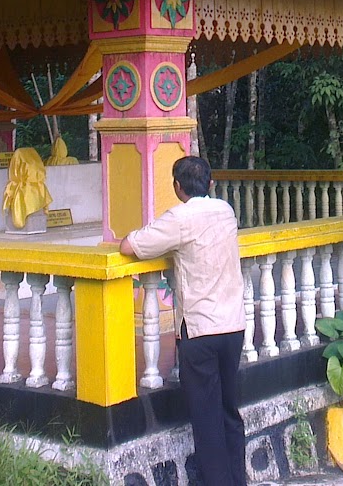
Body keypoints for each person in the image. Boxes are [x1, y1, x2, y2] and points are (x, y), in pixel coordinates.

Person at [120, 156, 247, 486]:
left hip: (200, 330)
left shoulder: (178, 219)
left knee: (206, 419)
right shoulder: (226, 212)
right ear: (211, 184)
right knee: (229, 411)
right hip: (233, 326)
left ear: (177, 187)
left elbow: (129, 245)